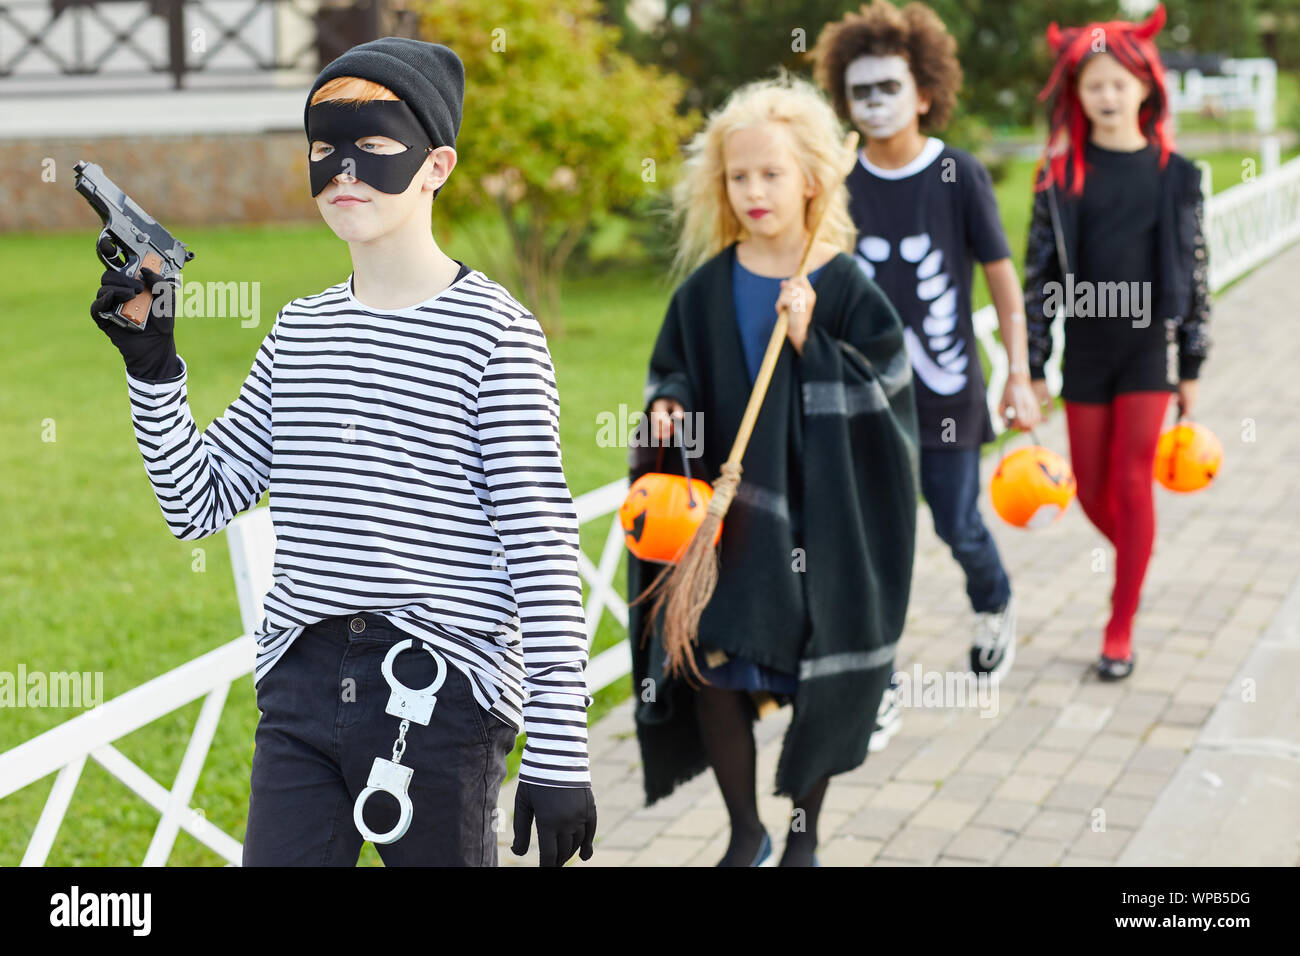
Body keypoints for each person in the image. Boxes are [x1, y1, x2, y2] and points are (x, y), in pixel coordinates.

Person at [89, 37, 597, 866]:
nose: (344, 170)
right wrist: (153, 370)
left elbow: (540, 546)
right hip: (300, 687)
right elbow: (198, 503)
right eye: (323, 149)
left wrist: (562, 749)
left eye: (373, 145)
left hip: (441, 696)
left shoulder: (496, 335)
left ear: (436, 164)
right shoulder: (301, 330)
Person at [627, 71, 920, 866]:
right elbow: (673, 367)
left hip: (822, 523)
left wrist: (811, 345)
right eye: (738, 175)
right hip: (733, 525)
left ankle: (802, 836)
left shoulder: (843, 283)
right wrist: (667, 408)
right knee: (713, 663)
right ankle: (745, 832)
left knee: (815, 679)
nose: (753, 190)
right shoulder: (706, 288)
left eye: (772, 173)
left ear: (813, 179)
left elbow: (890, 392)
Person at [812, 0, 1040, 695]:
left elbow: (1002, 280)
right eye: (861, 91)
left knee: (956, 522)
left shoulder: (958, 174)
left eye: (890, 88)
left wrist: (1019, 373)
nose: (875, 103)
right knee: (874, 537)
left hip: (946, 393)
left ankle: (993, 599)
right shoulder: (839, 182)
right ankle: (873, 671)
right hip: (867, 396)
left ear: (925, 93)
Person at [1022, 3, 1211, 680]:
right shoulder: (1057, 179)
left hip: (1145, 351)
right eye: (1093, 82)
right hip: (1086, 354)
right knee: (1094, 494)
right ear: (1076, 93)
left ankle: (1120, 623)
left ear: (1145, 86)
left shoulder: (1174, 175)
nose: (1106, 94)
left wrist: (1190, 363)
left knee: (1132, 483)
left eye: (1118, 81)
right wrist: (1035, 366)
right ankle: (1139, 552)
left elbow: (1196, 271)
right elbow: (1038, 277)